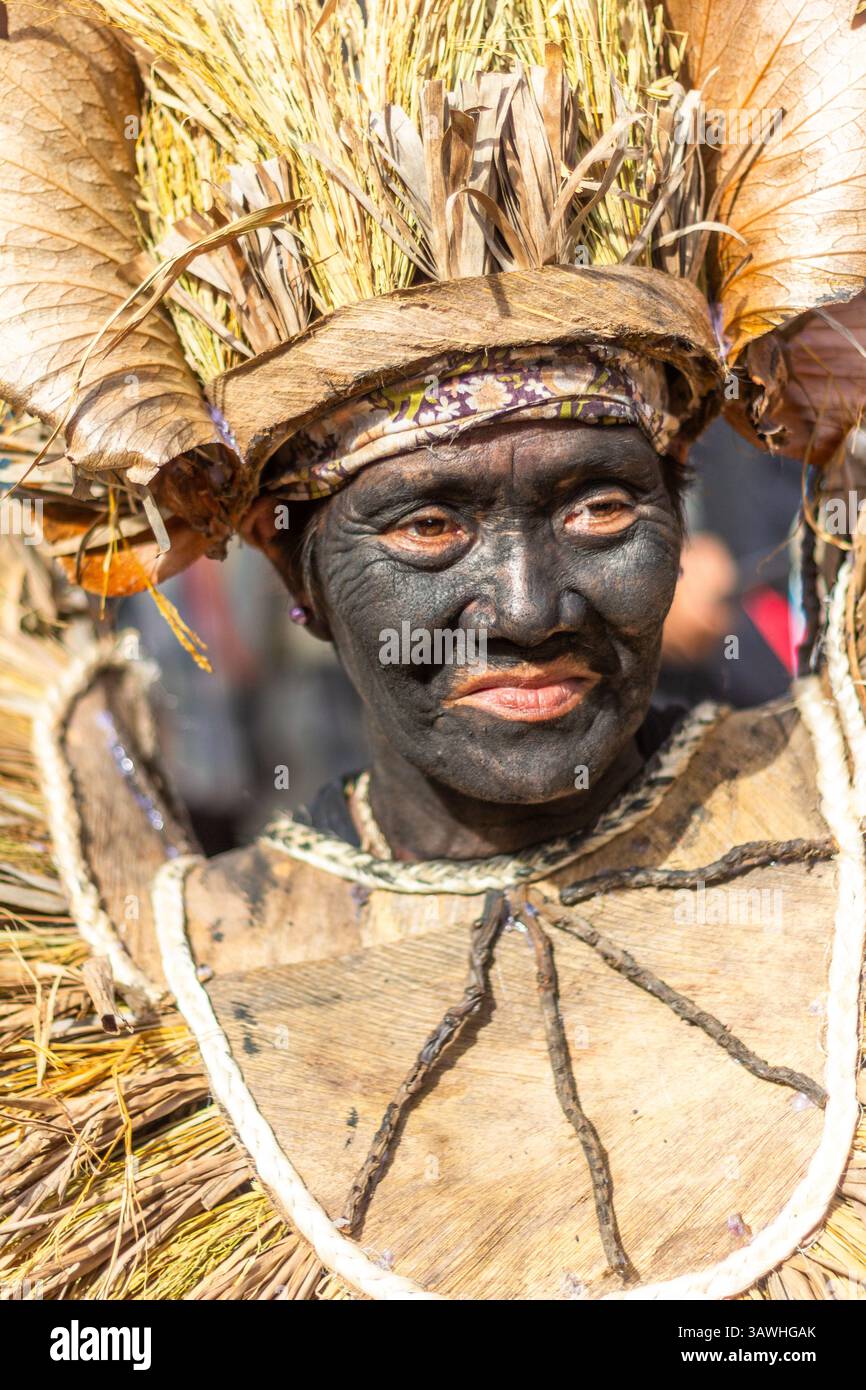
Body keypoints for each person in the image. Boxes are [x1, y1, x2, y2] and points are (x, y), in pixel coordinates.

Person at [2, 0, 866, 1302]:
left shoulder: (837, 824)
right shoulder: (178, 996)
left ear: (683, 501)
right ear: (295, 567)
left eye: (596, 505)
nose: (524, 605)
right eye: (424, 521)